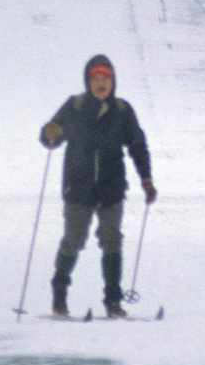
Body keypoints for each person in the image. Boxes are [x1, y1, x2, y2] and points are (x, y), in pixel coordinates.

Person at [40, 55, 156, 318]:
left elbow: (137, 145)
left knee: (112, 240)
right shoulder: (75, 106)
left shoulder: (122, 111)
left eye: (106, 78)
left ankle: (113, 301)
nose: (101, 83)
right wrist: (50, 133)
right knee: (73, 240)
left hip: (111, 187)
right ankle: (59, 295)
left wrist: (146, 180)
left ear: (112, 81)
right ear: (88, 81)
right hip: (78, 188)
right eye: (96, 78)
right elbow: (51, 135)